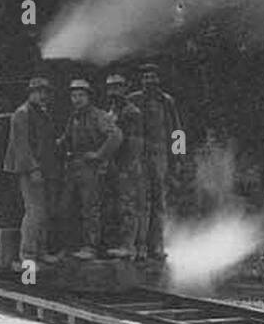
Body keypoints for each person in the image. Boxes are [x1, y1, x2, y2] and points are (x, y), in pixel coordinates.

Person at [57, 79, 122, 259]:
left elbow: (116, 136)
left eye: (81, 95)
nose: (77, 99)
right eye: (74, 96)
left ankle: (91, 247)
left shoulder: (98, 116)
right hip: (74, 166)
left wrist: (99, 155)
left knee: (90, 207)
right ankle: (69, 246)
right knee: (67, 206)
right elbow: (66, 138)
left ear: (88, 97)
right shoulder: (74, 117)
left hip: (90, 168)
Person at [3, 77, 61, 267]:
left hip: (47, 170)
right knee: (35, 212)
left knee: (44, 212)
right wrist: (33, 169)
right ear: (31, 93)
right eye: (39, 92)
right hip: (32, 171)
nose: (43, 96)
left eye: (45, 92)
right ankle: (27, 255)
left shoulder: (42, 114)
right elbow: (22, 146)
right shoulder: (22, 113)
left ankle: (41, 251)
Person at [127, 62, 181, 261]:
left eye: (152, 77)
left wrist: (178, 159)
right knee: (141, 201)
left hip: (160, 156)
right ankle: (139, 246)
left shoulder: (167, 101)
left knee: (159, 202)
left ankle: (157, 246)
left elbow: (177, 131)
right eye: (146, 77)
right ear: (141, 80)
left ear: (158, 79)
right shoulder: (132, 100)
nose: (149, 80)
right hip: (139, 156)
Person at [104, 74, 147, 260]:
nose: (114, 92)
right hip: (116, 163)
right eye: (111, 88)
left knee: (129, 206)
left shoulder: (132, 112)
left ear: (125, 89)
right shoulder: (113, 110)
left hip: (130, 164)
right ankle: (123, 244)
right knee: (118, 205)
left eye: (118, 88)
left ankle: (131, 246)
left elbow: (176, 129)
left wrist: (178, 153)